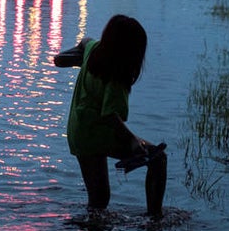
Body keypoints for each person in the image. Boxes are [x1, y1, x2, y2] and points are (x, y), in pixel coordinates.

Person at [55, 14, 166, 216]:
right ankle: (155, 218)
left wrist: (63, 58)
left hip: (79, 132)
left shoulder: (94, 50)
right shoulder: (116, 77)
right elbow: (109, 116)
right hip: (98, 133)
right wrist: (132, 141)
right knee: (158, 159)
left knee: (98, 200)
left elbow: (85, 42)